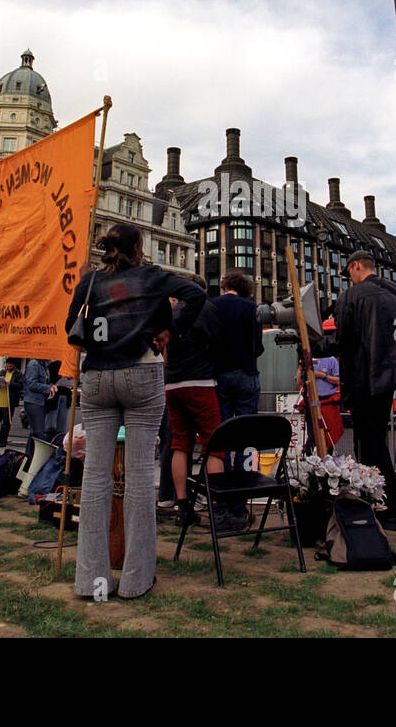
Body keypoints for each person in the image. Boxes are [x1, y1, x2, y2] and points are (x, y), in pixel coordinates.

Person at [65, 223, 207, 599]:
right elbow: (195, 294)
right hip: (141, 370)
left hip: (96, 377)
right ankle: (135, 579)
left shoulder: (92, 281)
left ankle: (90, 580)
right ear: (139, 248)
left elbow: (70, 325)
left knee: (95, 477)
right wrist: (170, 332)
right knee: (140, 476)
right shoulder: (153, 275)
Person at [316, 250, 396, 530]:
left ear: (356, 266)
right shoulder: (395, 293)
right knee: (378, 440)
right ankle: (387, 507)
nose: (350, 279)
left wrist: (313, 345)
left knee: (369, 446)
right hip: (387, 379)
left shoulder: (352, 297)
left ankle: (379, 507)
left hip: (363, 379)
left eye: (350, 273)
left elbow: (341, 341)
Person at [164, 275, 227, 528]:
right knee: (214, 443)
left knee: (180, 443)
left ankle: (182, 506)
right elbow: (218, 343)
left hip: (172, 382)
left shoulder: (171, 311)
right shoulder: (206, 307)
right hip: (199, 380)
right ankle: (217, 508)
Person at [208, 271, 264, 528]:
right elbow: (258, 347)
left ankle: (220, 504)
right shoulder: (251, 308)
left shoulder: (213, 306)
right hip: (246, 374)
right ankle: (239, 507)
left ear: (225, 284)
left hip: (219, 375)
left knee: (221, 438)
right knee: (243, 439)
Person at [21, 358, 56, 456]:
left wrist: (51, 385)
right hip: (33, 402)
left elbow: (44, 381)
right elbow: (32, 384)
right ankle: (34, 456)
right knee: (38, 431)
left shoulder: (44, 365)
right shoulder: (34, 364)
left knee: (34, 432)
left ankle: (29, 456)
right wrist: (48, 388)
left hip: (40, 401)